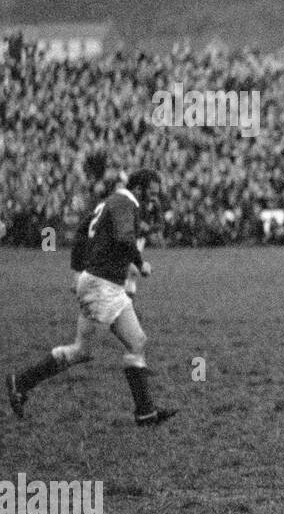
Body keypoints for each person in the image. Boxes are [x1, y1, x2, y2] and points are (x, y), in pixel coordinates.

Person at [7, 170, 178, 427]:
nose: (153, 198)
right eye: (151, 193)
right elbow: (123, 238)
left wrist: (78, 271)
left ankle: (145, 413)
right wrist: (141, 263)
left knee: (110, 345)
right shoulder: (124, 202)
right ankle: (21, 382)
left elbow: (85, 231)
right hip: (102, 285)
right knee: (110, 346)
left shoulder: (113, 202)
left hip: (102, 284)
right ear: (140, 189)